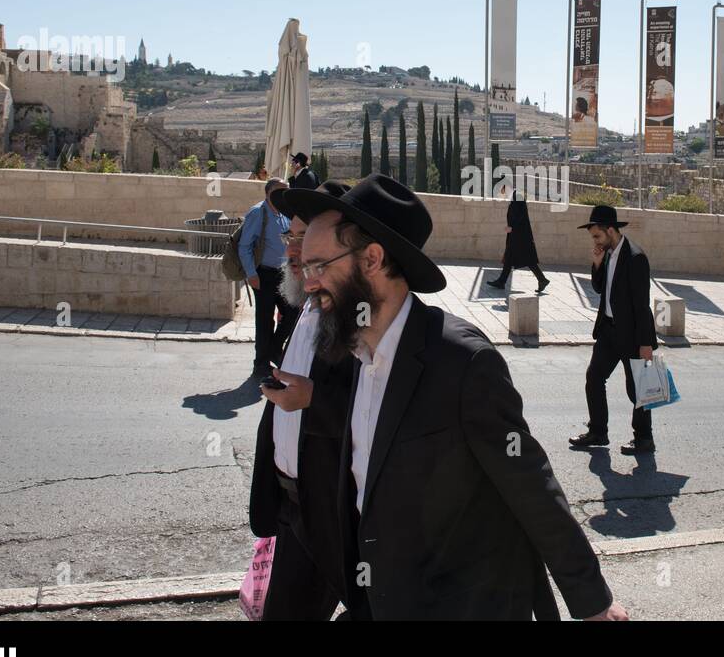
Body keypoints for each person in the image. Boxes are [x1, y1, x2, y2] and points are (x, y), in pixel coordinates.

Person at [286, 173, 626, 621]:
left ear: (371, 259)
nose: (308, 284)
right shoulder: (353, 356)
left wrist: (593, 603)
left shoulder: (461, 361)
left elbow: (531, 483)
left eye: (318, 266)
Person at [248, 180, 357, 621]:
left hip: (336, 514)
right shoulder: (305, 305)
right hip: (297, 510)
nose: (290, 249)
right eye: (289, 237)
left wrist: (315, 398)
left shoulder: (358, 316)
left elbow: (381, 407)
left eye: (301, 239)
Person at [570, 205, 658, 455]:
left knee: (637, 389)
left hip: (631, 335)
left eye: (597, 235)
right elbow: (599, 289)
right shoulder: (607, 253)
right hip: (608, 331)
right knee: (594, 378)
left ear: (611, 230)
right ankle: (598, 431)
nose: (595, 241)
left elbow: (642, 305)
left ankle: (644, 439)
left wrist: (645, 344)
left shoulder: (635, 257)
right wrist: (596, 263)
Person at [240, 178, 300, 377]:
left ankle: (274, 348)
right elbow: (245, 245)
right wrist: (251, 274)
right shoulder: (258, 212)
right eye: (280, 191)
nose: (285, 194)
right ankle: (261, 363)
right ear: (268, 193)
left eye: (287, 190)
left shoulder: (284, 213)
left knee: (291, 314)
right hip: (264, 274)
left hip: (283, 274)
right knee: (265, 321)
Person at [486, 188, 551, 293]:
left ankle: (542, 279)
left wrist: (513, 227)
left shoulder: (518, 195)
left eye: (501, 189)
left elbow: (522, 215)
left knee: (527, 259)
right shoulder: (514, 196)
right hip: (516, 235)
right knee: (509, 257)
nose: (501, 192)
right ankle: (501, 281)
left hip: (521, 235)